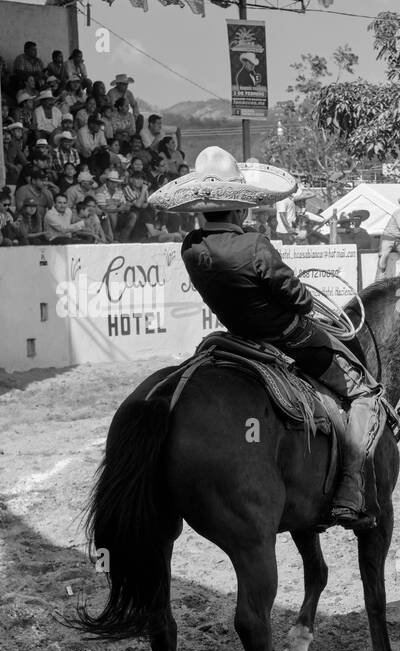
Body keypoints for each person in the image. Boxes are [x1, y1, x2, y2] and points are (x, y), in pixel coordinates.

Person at [151, 146, 386, 530]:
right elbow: (298, 299)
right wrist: (302, 296)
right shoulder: (254, 244)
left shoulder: (191, 248)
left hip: (237, 336)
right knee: (364, 392)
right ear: (240, 207)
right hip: (287, 336)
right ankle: (350, 489)